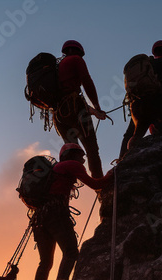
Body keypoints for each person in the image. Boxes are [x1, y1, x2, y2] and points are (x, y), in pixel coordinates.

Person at [31, 143, 114, 280]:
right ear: (72, 155)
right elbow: (96, 184)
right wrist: (112, 174)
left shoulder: (55, 171)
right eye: (81, 156)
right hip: (56, 213)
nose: (83, 160)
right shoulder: (71, 165)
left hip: (39, 219)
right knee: (70, 252)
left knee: (45, 262)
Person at [120, 41, 162, 158]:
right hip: (156, 101)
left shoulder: (148, 64)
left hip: (136, 103)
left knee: (132, 133)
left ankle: (122, 159)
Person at [54, 40, 108, 179]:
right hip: (75, 110)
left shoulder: (58, 66)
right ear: (79, 51)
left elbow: (70, 99)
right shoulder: (76, 60)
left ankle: (66, 187)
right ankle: (99, 185)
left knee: (71, 152)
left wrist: (95, 112)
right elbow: (87, 82)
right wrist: (97, 107)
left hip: (59, 115)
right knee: (91, 149)